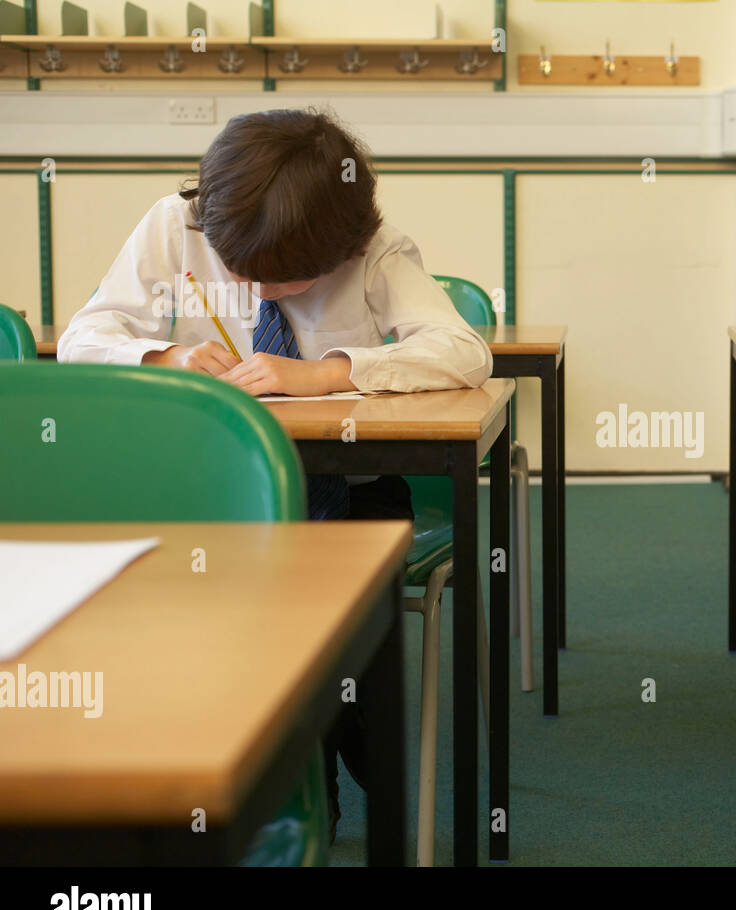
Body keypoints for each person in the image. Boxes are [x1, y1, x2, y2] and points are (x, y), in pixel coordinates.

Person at [60, 108, 493, 842]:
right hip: (212, 497)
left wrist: (332, 371)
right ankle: (296, 755)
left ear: (343, 246)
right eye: (242, 272)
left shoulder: (375, 248)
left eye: (287, 278)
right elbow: (83, 337)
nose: (262, 295)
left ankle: (326, 746)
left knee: (326, 617)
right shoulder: (177, 226)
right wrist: (162, 357)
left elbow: (462, 351)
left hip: (349, 493)